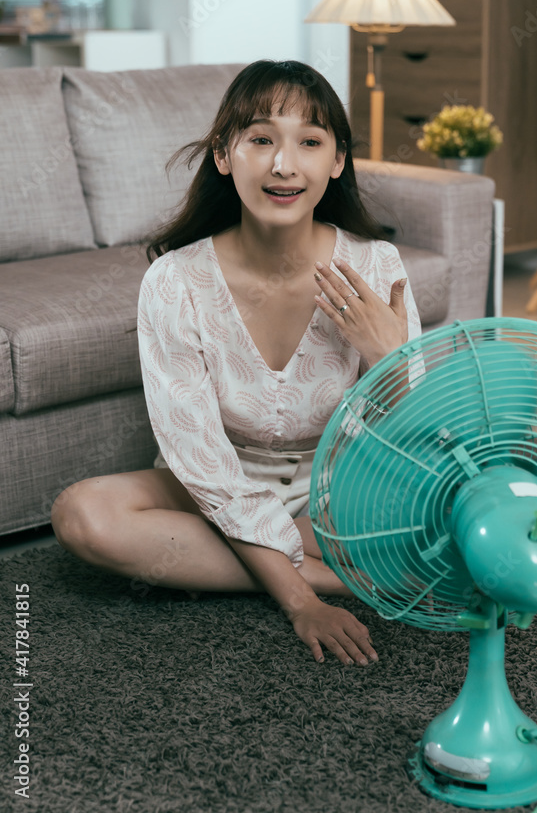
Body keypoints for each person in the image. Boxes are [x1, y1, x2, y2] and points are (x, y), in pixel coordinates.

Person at [51, 59, 421, 668]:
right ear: (224, 154)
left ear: (338, 160)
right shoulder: (175, 280)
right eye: (261, 140)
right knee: (83, 515)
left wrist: (391, 361)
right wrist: (302, 601)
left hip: (337, 491)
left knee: (450, 516)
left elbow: (417, 445)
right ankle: (331, 575)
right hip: (212, 486)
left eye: (309, 142)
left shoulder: (377, 265)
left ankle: (213, 564)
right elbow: (199, 459)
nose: (284, 165)